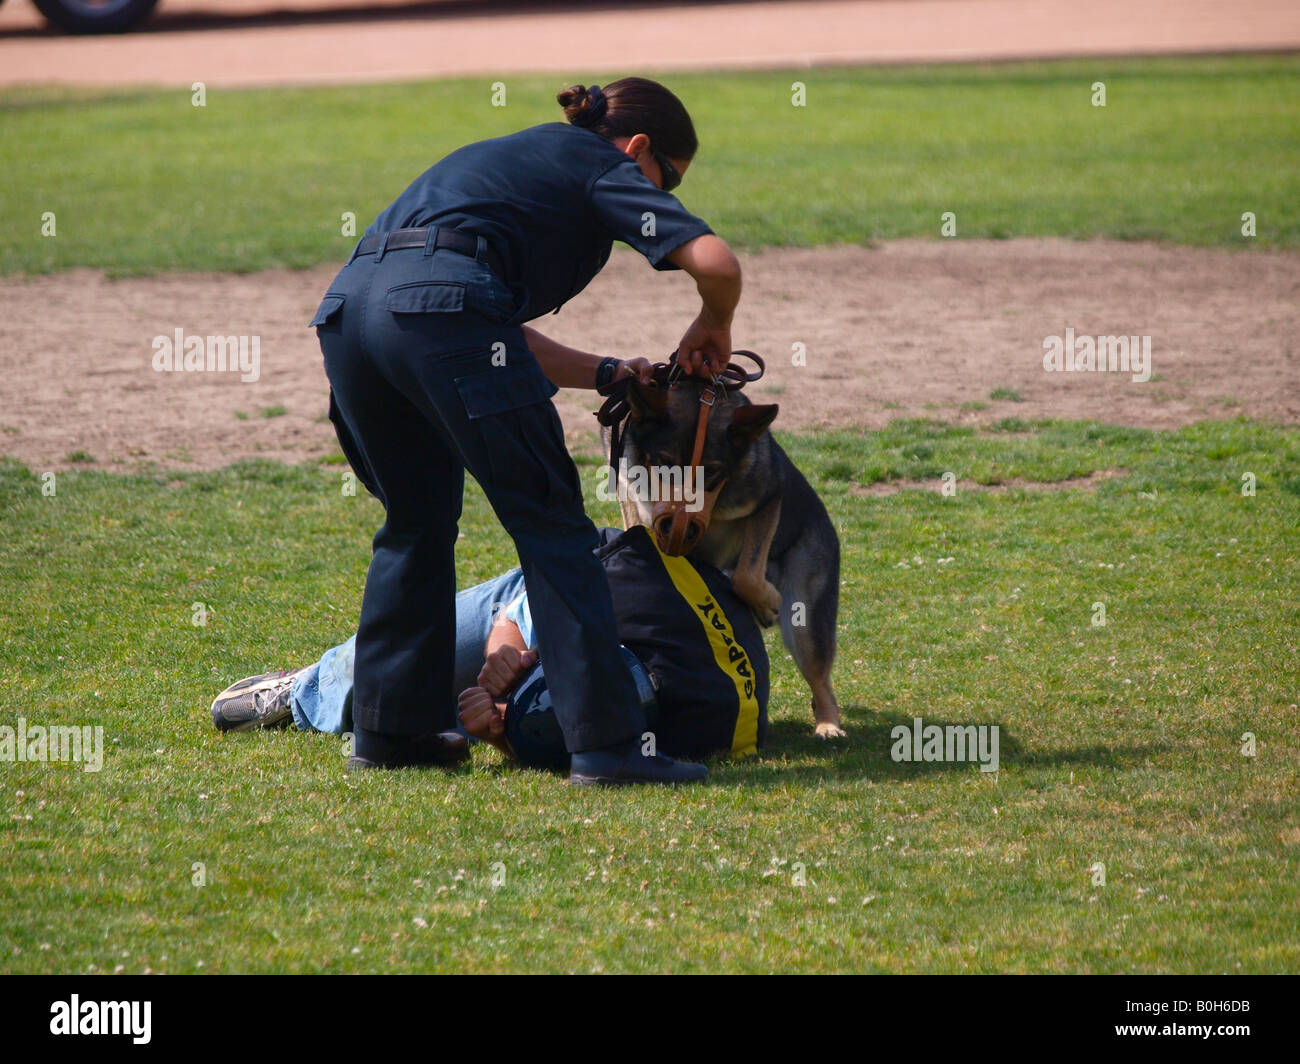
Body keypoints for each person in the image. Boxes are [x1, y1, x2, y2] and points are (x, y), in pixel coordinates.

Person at [308, 77, 742, 783]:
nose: (663, 197)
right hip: (437, 314)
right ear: (638, 150)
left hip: (349, 316)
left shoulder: (508, 159)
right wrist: (714, 321)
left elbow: (470, 316)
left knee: (414, 524)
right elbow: (717, 264)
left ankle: (392, 733)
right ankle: (606, 746)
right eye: (669, 179)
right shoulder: (603, 165)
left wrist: (607, 372)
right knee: (554, 530)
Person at [209, 527, 771, 767]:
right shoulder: (610, 593)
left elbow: (557, 743)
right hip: (566, 577)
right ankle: (310, 686)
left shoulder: (695, 732)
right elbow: (517, 610)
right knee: (392, 666)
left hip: (647, 645)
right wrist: (502, 657)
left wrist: (505, 733)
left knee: (440, 709)